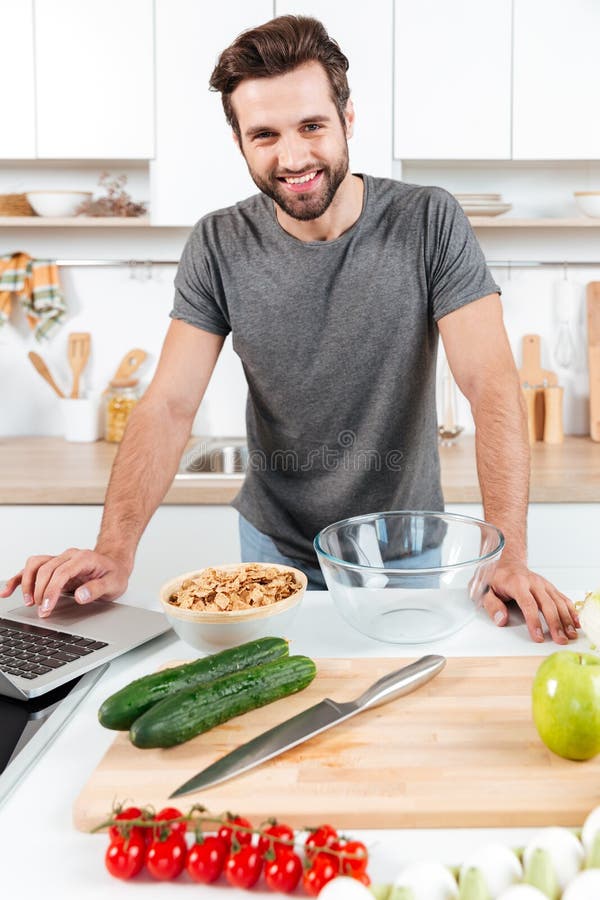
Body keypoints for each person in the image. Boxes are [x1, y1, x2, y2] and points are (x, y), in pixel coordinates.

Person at [0, 15, 579, 645]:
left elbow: (491, 382)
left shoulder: (428, 220)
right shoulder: (217, 243)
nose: (294, 157)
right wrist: (113, 548)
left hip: (410, 550)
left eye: (311, 126)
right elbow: (168, 405)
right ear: (239, 141)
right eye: (265, 135)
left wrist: (508, 553)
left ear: (347, 118)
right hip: (274, 554)